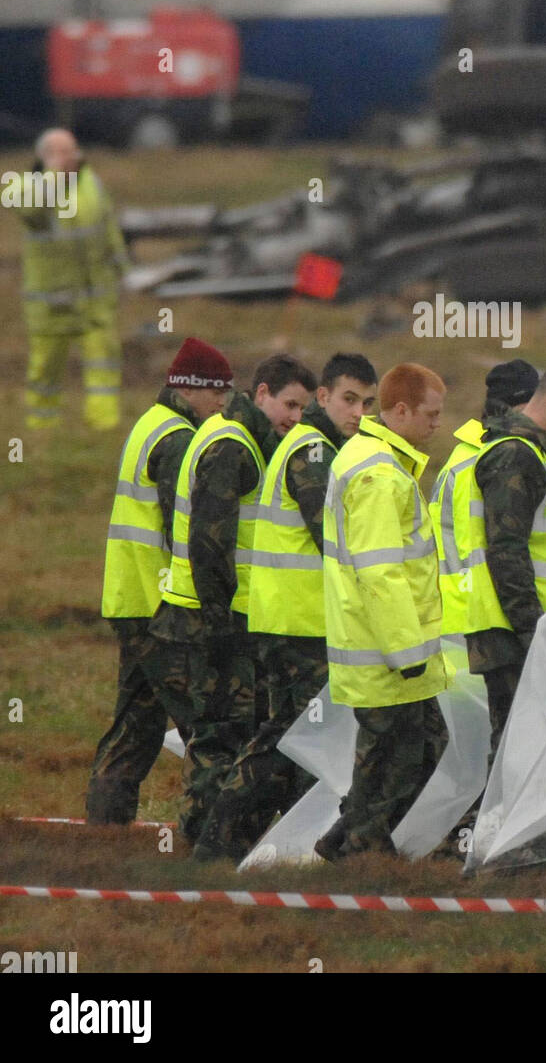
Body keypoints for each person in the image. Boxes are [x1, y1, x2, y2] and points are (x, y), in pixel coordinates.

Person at [194, 352, 378, 862]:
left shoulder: (308, 444)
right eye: (348, 399)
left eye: (368, 403)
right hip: (300, 623)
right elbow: (334, 540)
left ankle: (255, 845)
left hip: (288, 619)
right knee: (286, 734)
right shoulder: (315, 451)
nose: (359, 412)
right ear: (324, 397)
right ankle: (221, 846)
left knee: (289, 735)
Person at [148, 353, 314, 843]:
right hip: (205, 617)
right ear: (260, 393)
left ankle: (212, 842)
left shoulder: (243, 439)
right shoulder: (233, 446)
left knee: (223, 732)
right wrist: (221, 622)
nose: (295, 418)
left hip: (209, 612)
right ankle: (204, 845)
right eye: (289, 404)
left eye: (303, 409)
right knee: (220, 736)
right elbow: (209, 543)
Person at [86, 338, 234, 824]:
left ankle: (104, 829)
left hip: (131, 598)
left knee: (136, 724)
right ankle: (212, 830)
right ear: (191, 388)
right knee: (204, 724)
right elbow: (185, 530)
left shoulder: (152, 424)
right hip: (159, 608)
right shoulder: (177, 440)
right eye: (217, 392)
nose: (222, 404)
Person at [315, 363, 449, 860]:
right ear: (400, 411)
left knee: (396, 754)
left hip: (379, 648)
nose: (438, 424)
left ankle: (346, 840)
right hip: (387, 654)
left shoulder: (369, 458)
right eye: (430, 415)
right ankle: (364, 856)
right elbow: (380, 573)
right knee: (403, 758)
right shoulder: (379, 474)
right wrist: (407, 652)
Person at [460, 359, 546, 766]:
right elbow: (507, 550)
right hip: (514, 632)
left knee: (528, 748)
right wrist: (534, 631)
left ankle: (509, 829)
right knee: (518, 751)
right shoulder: (517, 456)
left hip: (522, 627)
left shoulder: (533, 454)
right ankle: (498, 830)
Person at [14, 127, 127, 430]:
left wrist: (122, 270)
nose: (71, 157)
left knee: (104, 364)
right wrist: (53, 174)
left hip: (94, 301)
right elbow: (31, 209)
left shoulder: (91, 184)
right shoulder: (26, 186)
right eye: (60, 152)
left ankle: (103, 427)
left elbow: (108, 228)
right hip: (52, 306)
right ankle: (41, 429)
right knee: (45, 371)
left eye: (72, 150)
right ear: (44, 157)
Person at [430, 359, 540, 638]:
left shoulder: (463, 456)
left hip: (453, 617)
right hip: (480, 624)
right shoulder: (503, 460)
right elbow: (494, 550)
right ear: (522, 406)